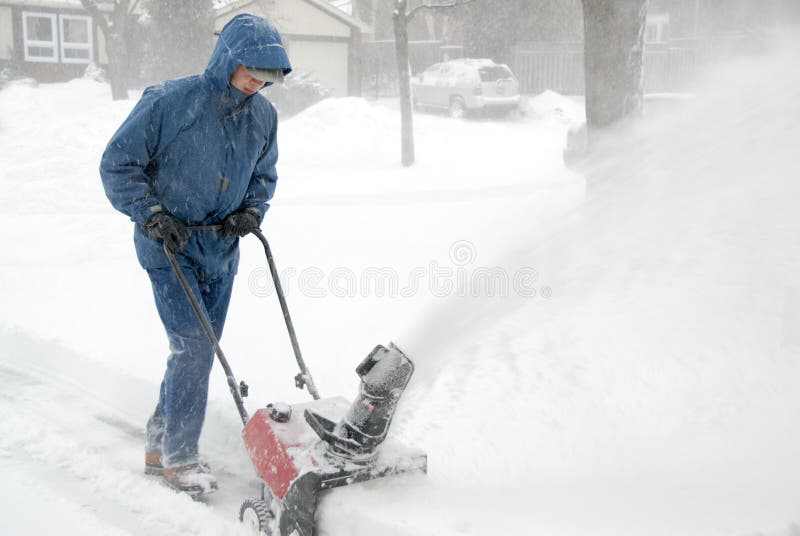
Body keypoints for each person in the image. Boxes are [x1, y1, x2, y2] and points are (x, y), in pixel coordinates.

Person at [99, 13, 291, 494]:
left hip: (221, 247)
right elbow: (118, 164)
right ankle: (179, 459)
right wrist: (150, 213)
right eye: (252, 73)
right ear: (228, 58)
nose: (256, 86)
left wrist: (251, 211)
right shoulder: (170, 102)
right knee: (196, 347)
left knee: (196, 352)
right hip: (168, 242)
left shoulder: (263, 116)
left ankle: (158, 441)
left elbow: (263, 176)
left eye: (267, 79)